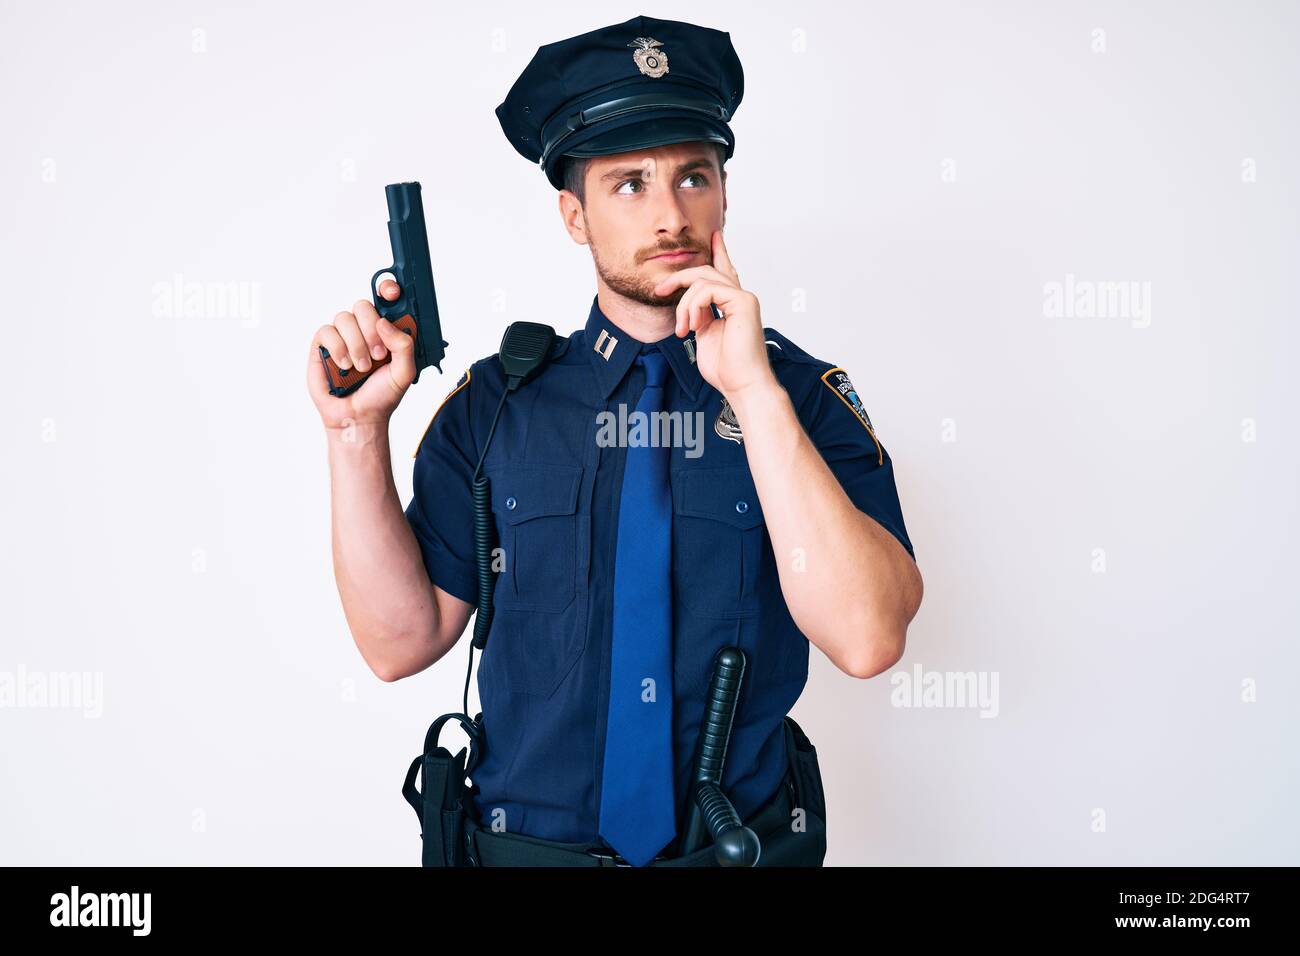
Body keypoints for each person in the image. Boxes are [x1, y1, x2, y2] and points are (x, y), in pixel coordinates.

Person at [306, 14, 923, 867]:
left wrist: (751, 387)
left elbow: (868, 637)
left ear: (724, 194)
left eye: (693, 177)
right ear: (574, 215)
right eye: (629, 183)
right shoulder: (496, 406)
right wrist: (353, 434)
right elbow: (397, 643)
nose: (671, 213)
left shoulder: (801, 399)